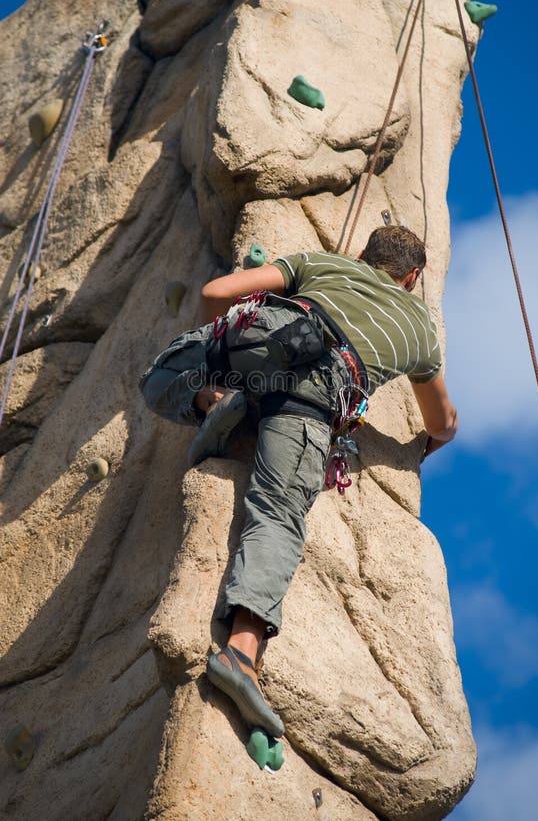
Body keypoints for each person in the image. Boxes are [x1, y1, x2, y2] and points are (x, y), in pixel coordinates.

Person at [140, 225, 458, 738]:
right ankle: (240, 656)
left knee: (159, 377)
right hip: (310, 401)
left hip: (253, 349)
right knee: (277, 515)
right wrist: (429, 444)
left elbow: (214, 294)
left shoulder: (323, 263)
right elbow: (442, 422)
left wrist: (219, 367)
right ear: (413, 277)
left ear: (361, 254)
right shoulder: (418, 328)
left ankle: (213, 401)